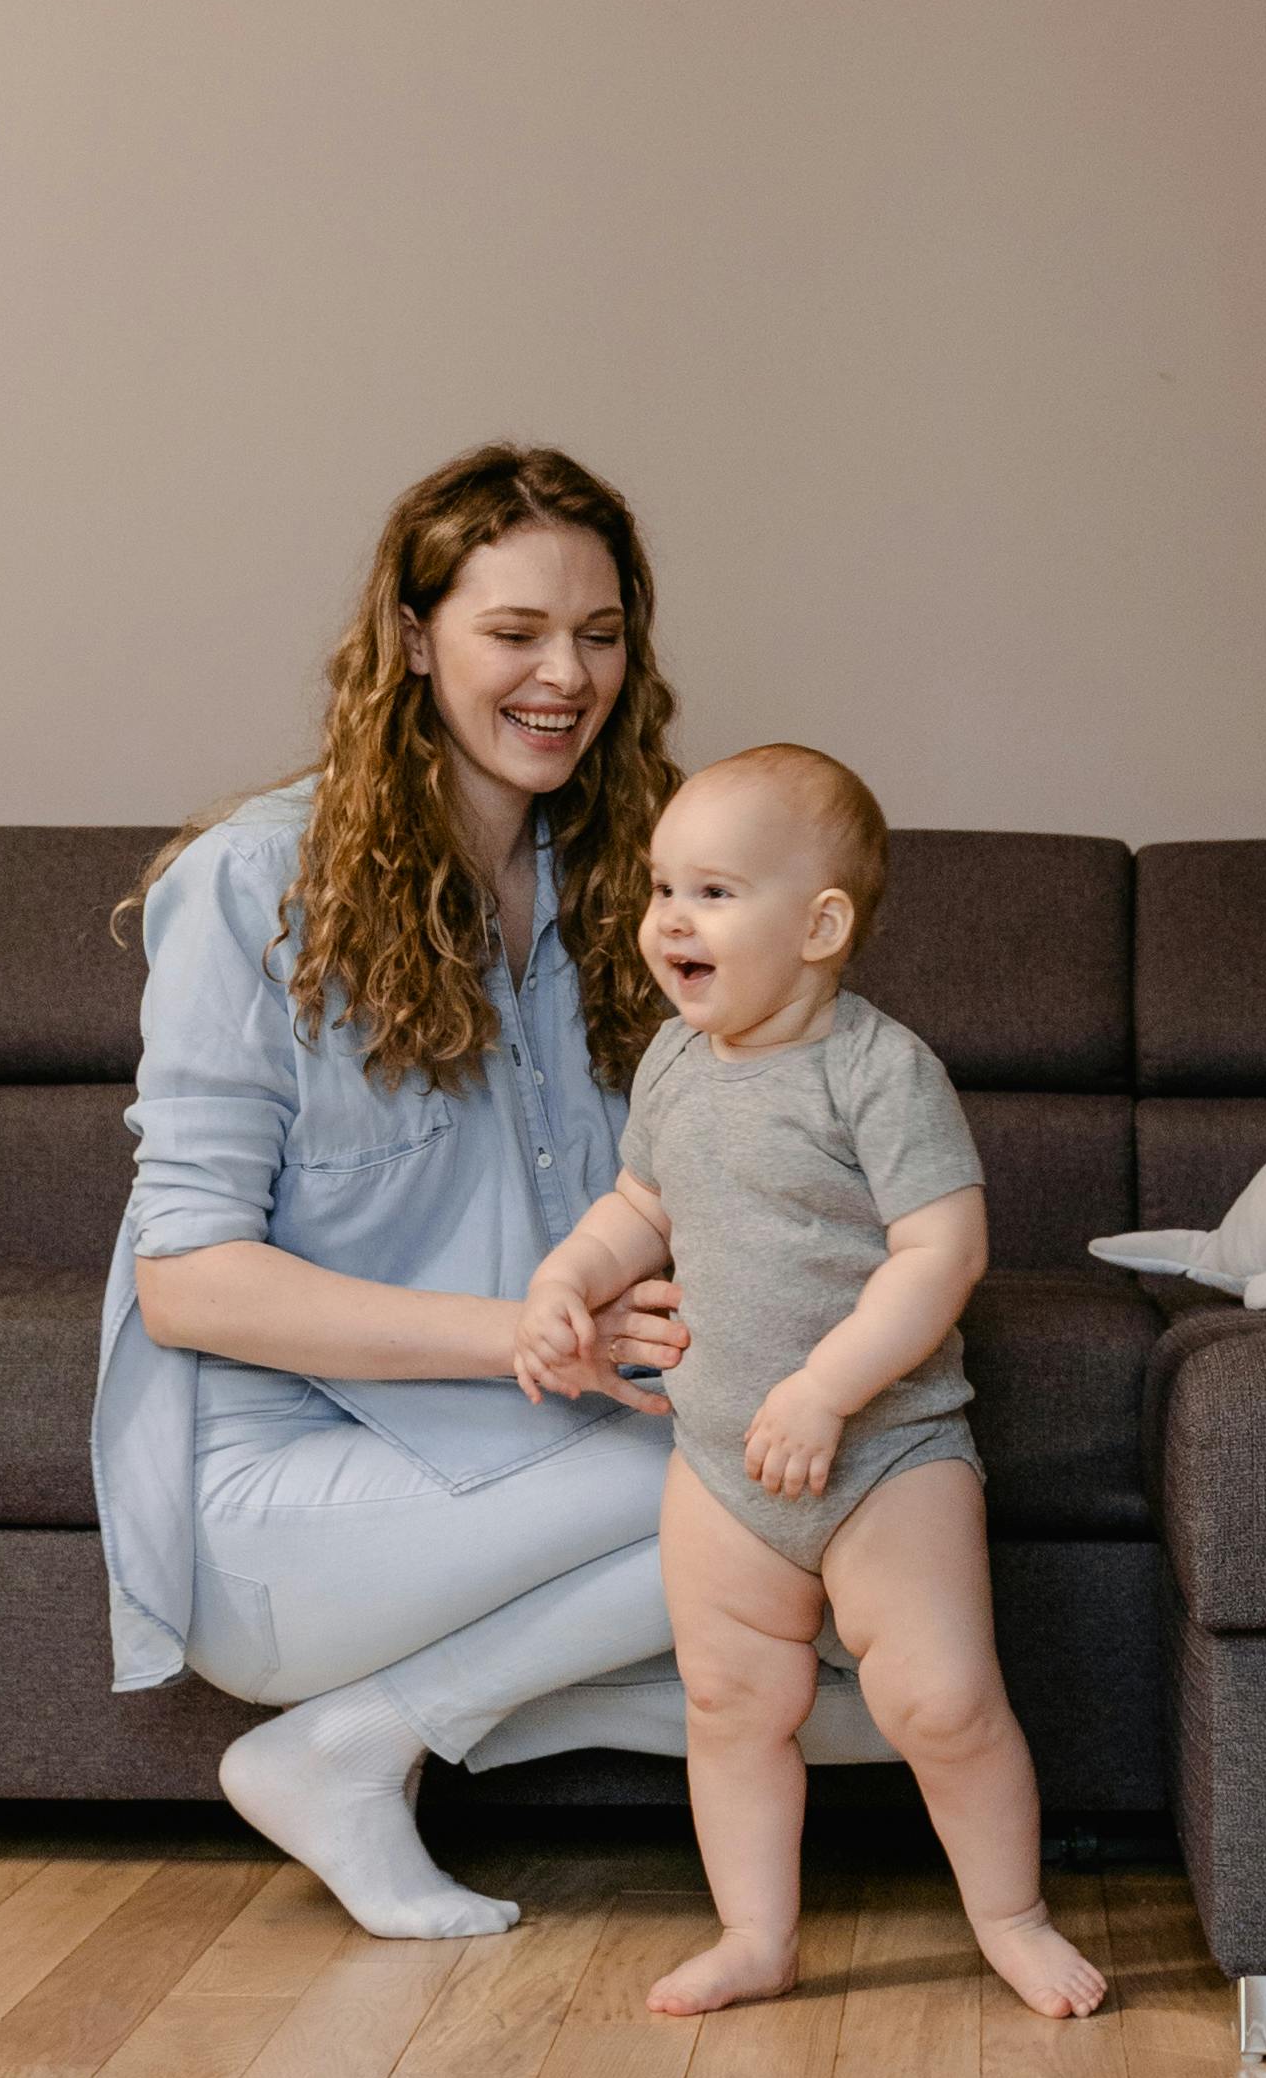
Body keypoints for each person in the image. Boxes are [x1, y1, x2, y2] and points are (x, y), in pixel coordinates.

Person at [95, 443, 882, 1941]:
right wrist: (531, 1332)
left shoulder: (624, 885)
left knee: (885, 1686)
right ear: (410, 638)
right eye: (511, 630)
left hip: (533, 1450)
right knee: (793, 1509)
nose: (562, 674)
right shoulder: (253, 883)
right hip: (277, 1504)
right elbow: (185, 1278)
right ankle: (363, 1732)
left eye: (597, 634)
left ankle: (371, 1731)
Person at [516, 745, 1108, 2025]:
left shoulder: (878, 1071)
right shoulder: (676, 1061)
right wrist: (568, 1275)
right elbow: (638, 1204)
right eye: (663, 888)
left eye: (714, 891)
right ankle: (754, 1933)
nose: (670, 916)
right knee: (731, 1701)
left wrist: (829, 1386)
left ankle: (1008, 1914)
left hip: (883, 1449)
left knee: (938, 1701)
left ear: (821, 924)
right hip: (724, 1460)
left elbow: (943, 1249)